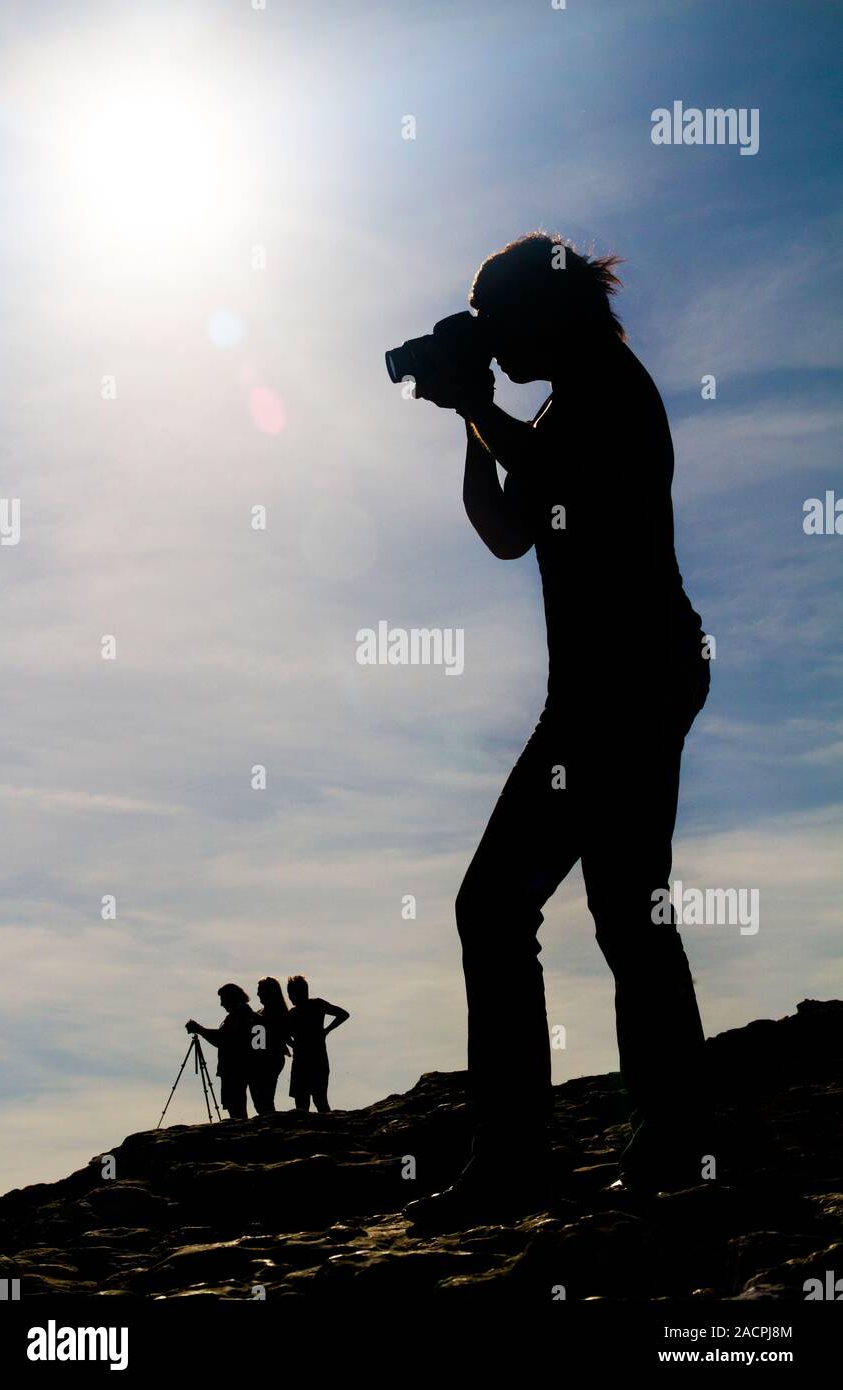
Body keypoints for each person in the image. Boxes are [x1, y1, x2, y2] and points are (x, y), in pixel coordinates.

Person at [403, 232, 713, 1226]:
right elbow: (507, 528)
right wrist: (466, 418)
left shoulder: (603, 394)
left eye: (496, 322)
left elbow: (545, 478)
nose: (491, 340)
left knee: (497, 908)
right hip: (620, 682)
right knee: (625, 911)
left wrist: (472, 403)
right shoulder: (569, 400)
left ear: (544, 312)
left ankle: (517, 1162)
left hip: (617, 687)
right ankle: (669, 1143)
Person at [186, 983, 260, 1120]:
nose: (221, 1004)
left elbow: (223, 1039)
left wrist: (199, 1029)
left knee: (235, 1108)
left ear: (232, 998)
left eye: (223, 999)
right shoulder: (243, 1014)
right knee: (236, 1106)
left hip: (235, 1068)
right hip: (238, 1068)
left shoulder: (240, 1015)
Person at [285, 976, 349, 1112]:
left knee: (306, 1103)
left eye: (291, 993)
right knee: (318, 1101)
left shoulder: (296, 1012)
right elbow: (343, 1014)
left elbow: (283, 1034)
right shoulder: (316, 1005)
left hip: (305, 1062)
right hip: (314, 1060)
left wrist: (327, 1030)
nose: (290, 997)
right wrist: (326, 1030)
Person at [249, 976, 292, 1115]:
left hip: (271, 1057)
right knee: (259, 1098)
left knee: (265, 1097)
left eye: (260, 990)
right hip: (259, 1058)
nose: (258, 994)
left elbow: (278, 1030)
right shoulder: (261, 1012)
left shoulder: (278, 1011)